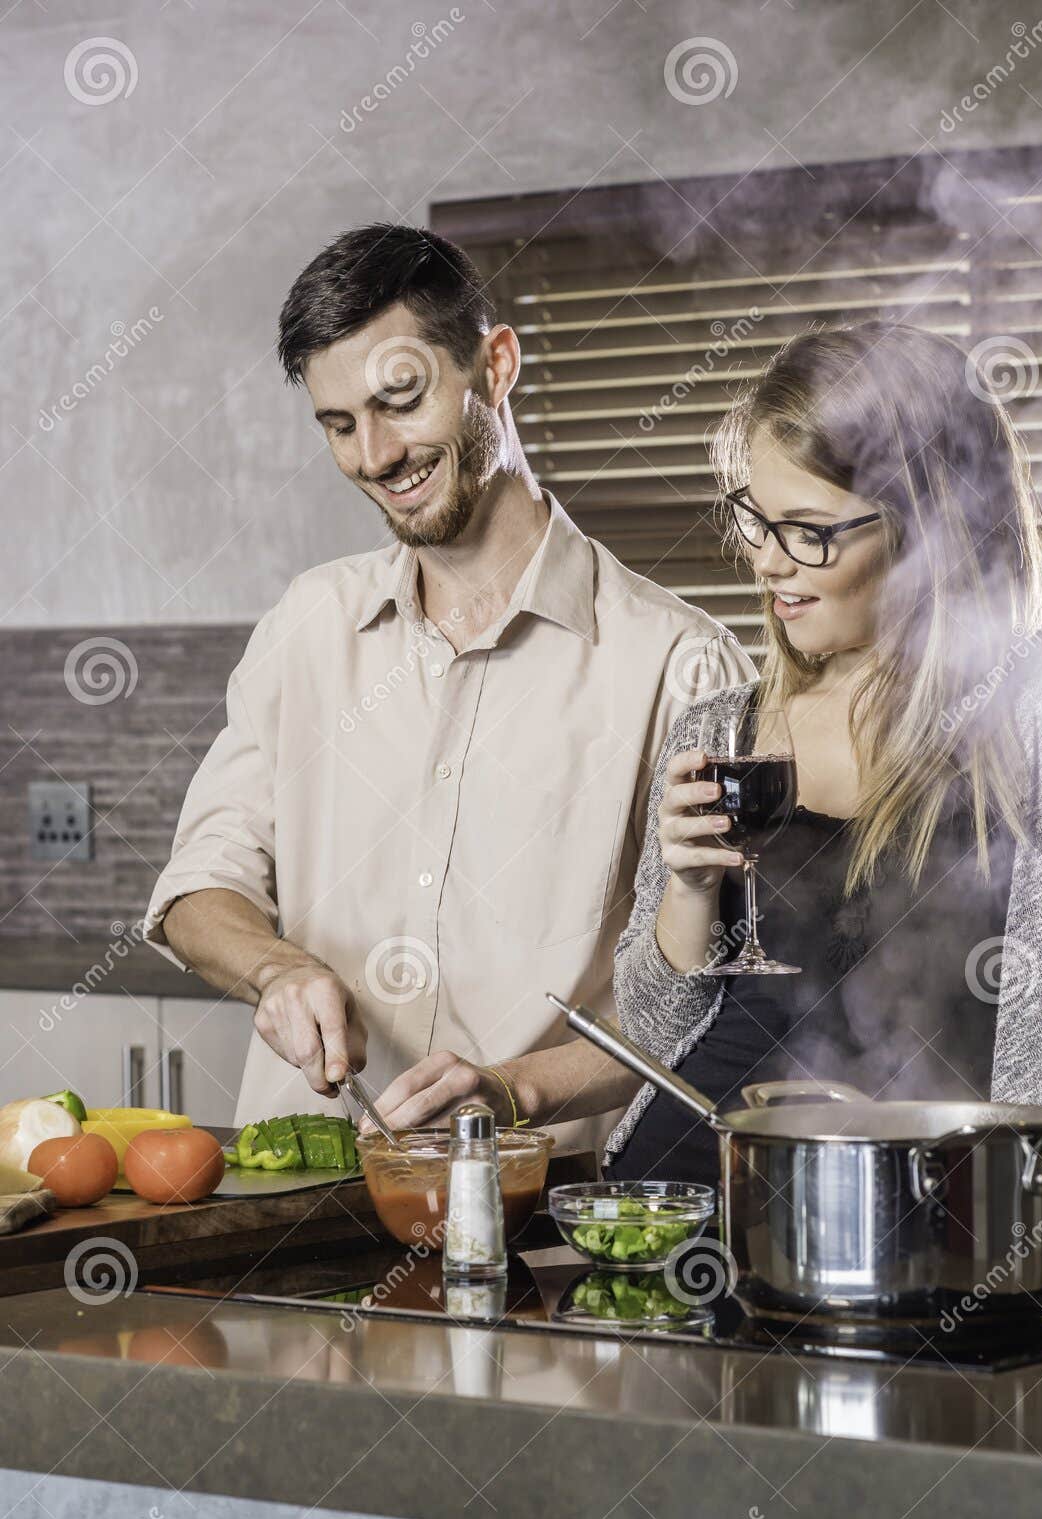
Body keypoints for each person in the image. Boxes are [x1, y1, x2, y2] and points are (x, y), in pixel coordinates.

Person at [144, 224, 753, 1151]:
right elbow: (197, 888)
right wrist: (275, 970)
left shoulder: (680, 666)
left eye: (402, 399)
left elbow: (709, 995)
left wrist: (517, 1091)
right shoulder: (306, 627)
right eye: (339, 425)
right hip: (297, 1210)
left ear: (496, 366)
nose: (375, 455)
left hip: (546, 1231)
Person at [606, 320, 1042, 1184]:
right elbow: (655, 1041)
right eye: (757, 521)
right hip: (690, 1208)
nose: (766, 562)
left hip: (941, 1226)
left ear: (931, 528)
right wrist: (687, 891)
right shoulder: (718, 727)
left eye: (809, 530)